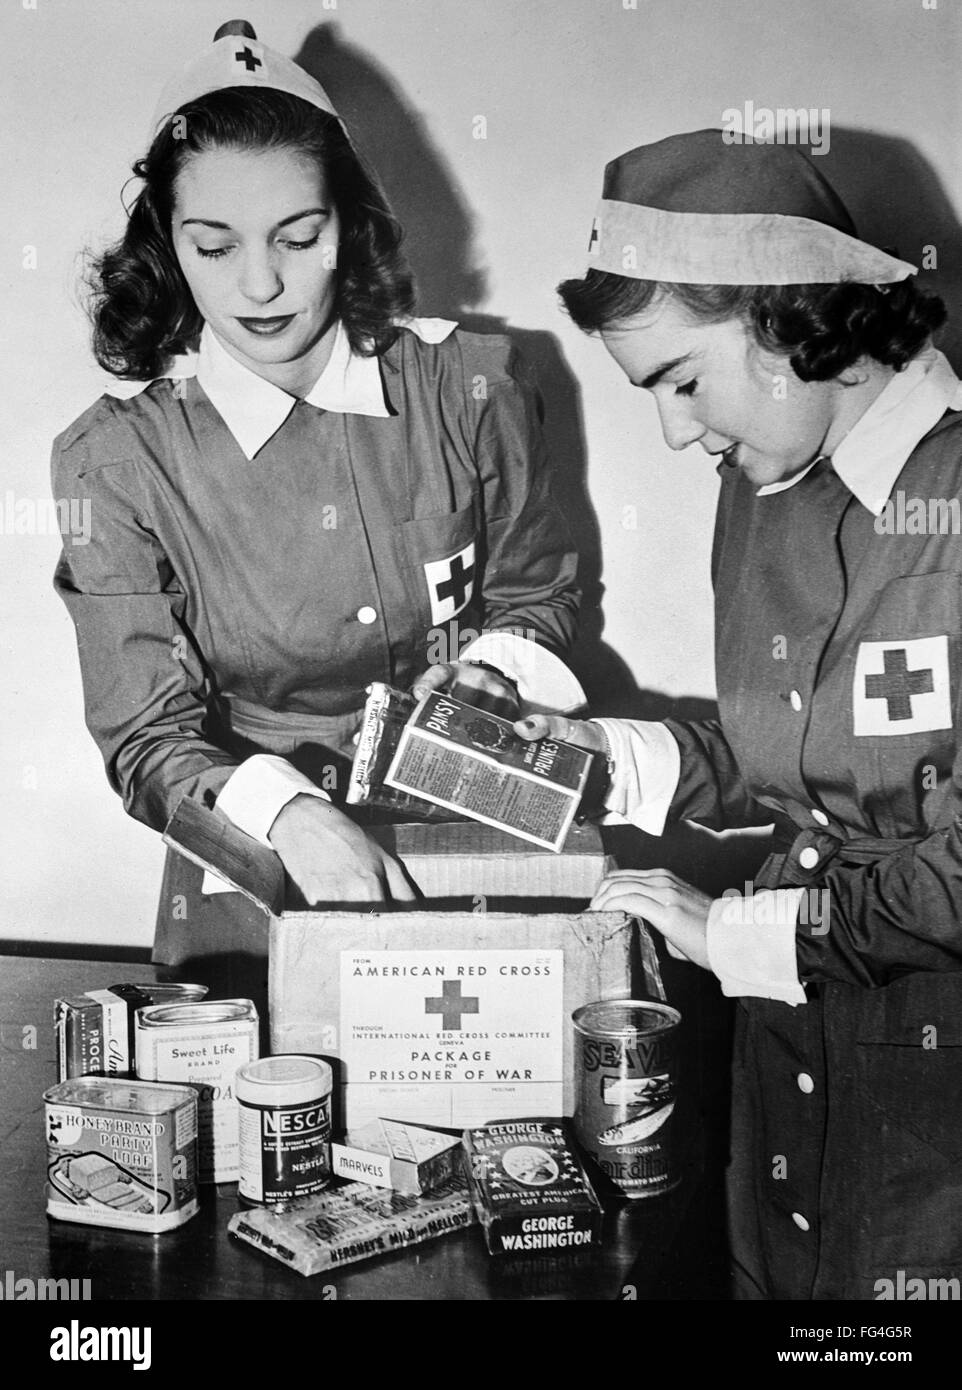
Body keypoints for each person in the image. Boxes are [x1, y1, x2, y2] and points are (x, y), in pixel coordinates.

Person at [519, 129, 962, 1299]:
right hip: (783, 1055)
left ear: (782, 318)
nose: (677, 432)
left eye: (680, 381)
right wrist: (593, 758)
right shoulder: (761, 484)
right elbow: (788, 761)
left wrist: (734, 935)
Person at [52, 22, 581, 997]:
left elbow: (536, 592)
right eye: (212, 245)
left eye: (297, 237)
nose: (259, 286)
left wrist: (494, 682)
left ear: (350, 224)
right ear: (166, 246)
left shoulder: (475, 384)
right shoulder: (115, 458)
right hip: (242, 852)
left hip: (463, 821)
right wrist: (290, 816)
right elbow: (143, 736)